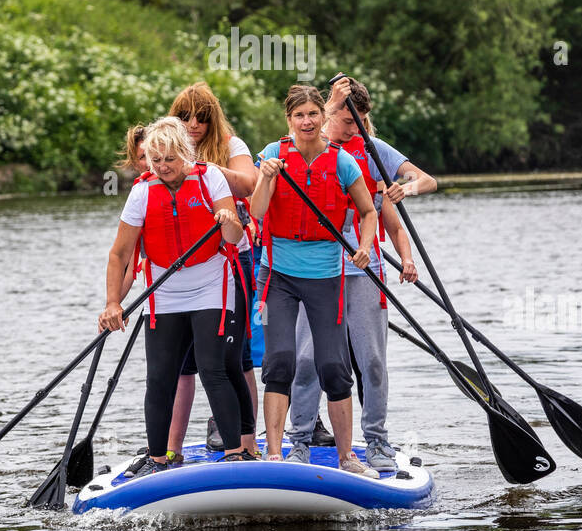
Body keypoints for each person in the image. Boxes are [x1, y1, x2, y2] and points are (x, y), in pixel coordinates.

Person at [288, 76, 437, 471]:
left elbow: (427, 179)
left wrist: (408, 190)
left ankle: (377, 442)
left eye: (359, 119)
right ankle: (299, 440)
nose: (351, 125)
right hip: (314, 270)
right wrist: (331, 103)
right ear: (328, 115)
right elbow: (303, 127)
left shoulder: (371, 150)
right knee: (307, 361)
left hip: (363, 270)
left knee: (371, 361)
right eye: (344, 117)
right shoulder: (309, 143)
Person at [99, 116, 256, 475]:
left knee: (213, 369)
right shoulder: (141, 191)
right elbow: (119, 254)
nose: (163, 167)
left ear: (184, 153)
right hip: (164, 293)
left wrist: (226, 217)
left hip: (211, 285)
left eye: (170, 159)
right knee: (160, 377)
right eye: (156, 161)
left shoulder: (209, 178)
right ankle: (158, 460)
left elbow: (233, 238)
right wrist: (112, 303)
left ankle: (234, 453)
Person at [250, 84, 380, 477]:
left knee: (333, 366)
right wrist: (265, 178)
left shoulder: (343, 163)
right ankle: (276, 453)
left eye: (312, 114)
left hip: (327, 276)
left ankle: (347, 458)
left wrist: (366, 247)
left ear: (323, 117)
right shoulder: (272, 156)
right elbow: (256, 211)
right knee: (279, 362)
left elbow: (368, 211)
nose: (306, 121)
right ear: (288, 120)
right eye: (298, 116)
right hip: (277, 278)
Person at [165, 84, 260, 460]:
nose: (193, 124)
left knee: (236, 357)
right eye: (185, 116)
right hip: (180, 268)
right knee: (181, 364)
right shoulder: (164, 150)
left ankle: (247, 441)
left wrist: (196, 165)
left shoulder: (232, 147)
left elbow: (249, 183)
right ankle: (170, 451)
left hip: (233, 260)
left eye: (201, 117)